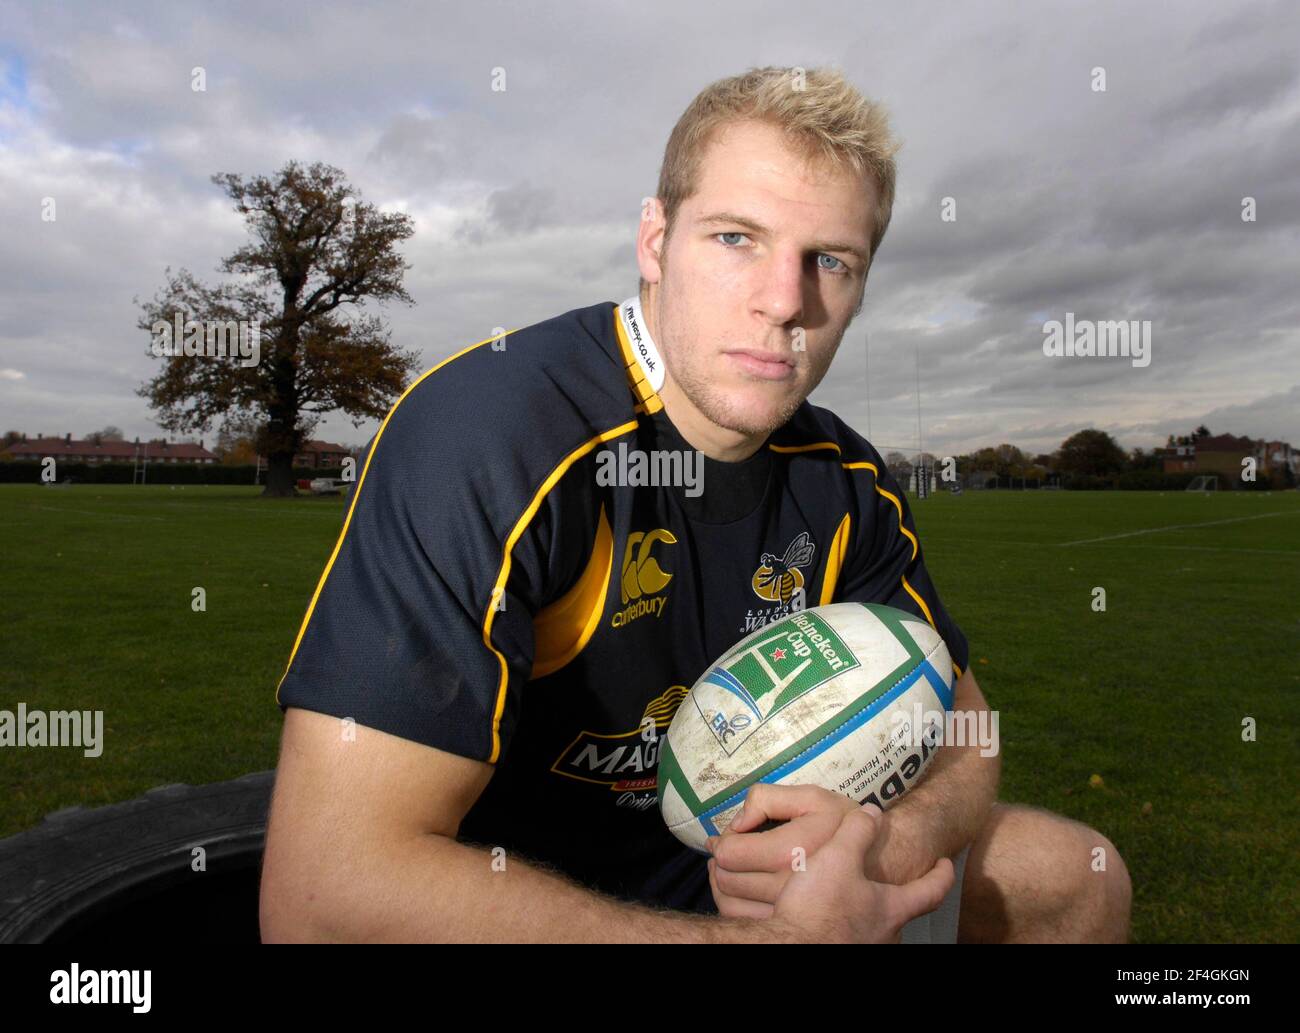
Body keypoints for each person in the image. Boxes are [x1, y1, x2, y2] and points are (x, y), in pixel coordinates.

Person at [259, 65, 1131, 943]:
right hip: (514, 909)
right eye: (736, 238)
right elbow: (322, 892)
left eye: (829, 260)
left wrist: (881, 842)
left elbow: (968, 732)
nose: (785, 301)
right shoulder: (489, 437)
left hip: (745, 889)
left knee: (1074, 881)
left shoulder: (845, 482)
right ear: (654, 240)